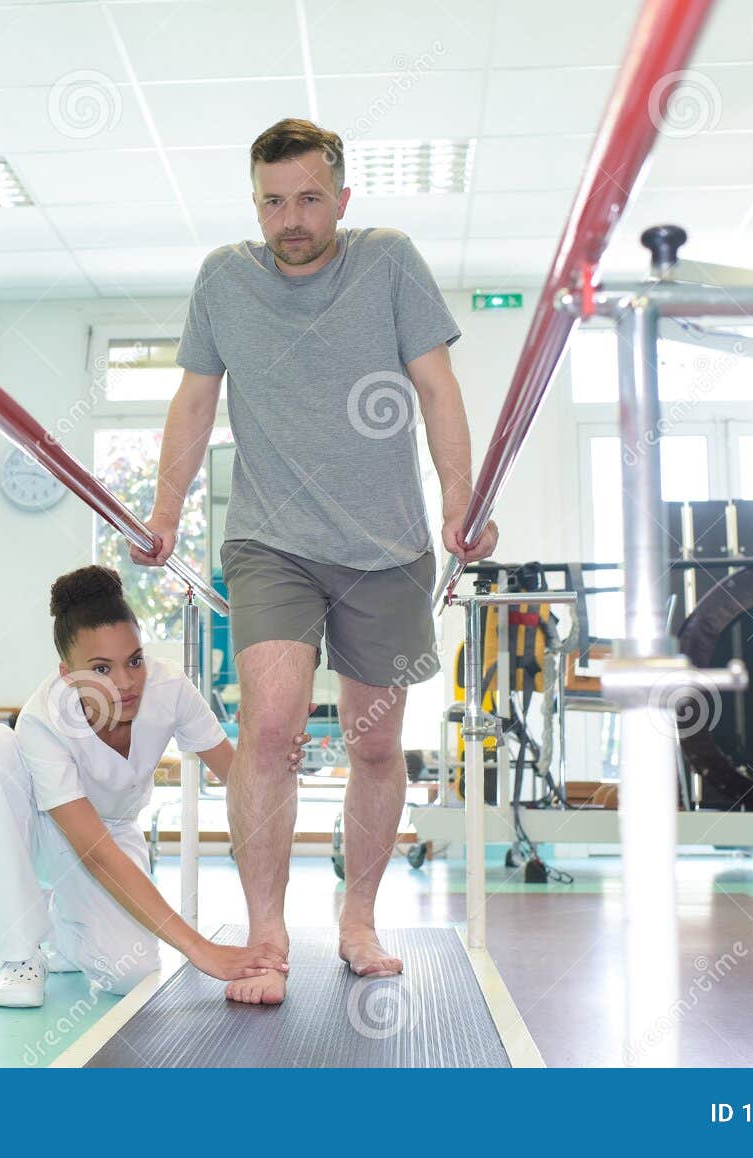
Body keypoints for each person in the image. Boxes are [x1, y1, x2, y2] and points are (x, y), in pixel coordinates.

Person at [130, 118, 498, 1005]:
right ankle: (265, 933)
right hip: (270, 542)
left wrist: (461, 501)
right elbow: (192, 402)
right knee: (270, 731)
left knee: (376, 744)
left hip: (388, 546)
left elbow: (437, 386)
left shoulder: (390, 261)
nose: (290, 219)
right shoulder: (224, 278)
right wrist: (167, 513)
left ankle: (358, 918)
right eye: (271, 201)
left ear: (341, 196)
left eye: (307, 198)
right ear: (253, 200)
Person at [0, 564, 303, 1008]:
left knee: (132, 972)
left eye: (134, 660)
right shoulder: (44, 716)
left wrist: (273, 758)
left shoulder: (170, 687)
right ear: (68, 674)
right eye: (101, 668)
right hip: (36, 830)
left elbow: (240, 780)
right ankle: (21, 955)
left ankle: (63, 927)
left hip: (112, 833)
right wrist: (200, 949)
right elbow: (93, 853)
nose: (124, 682)